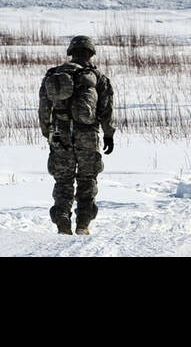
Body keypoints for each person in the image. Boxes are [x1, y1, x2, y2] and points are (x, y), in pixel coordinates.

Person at [38, 34, 115, 235]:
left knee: (63, 180)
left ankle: (63, 219)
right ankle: (83, 224)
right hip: (88, 135)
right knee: (87, 179)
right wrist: (108, 134)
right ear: (91, 53)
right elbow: (106, 110)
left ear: (71, 53)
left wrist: (49, 133)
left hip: (60, 134)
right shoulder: (98, 77)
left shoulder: (53, 75)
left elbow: (44, 108)